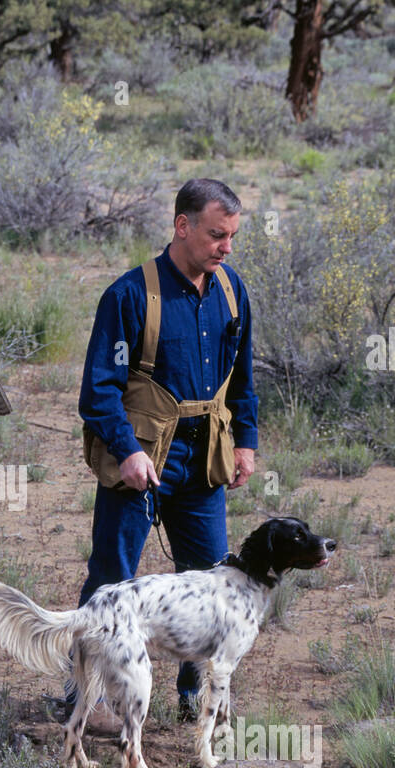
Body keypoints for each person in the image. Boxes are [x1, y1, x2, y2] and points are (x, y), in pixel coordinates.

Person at [75, 178, 258, 727]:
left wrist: (245, 442)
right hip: (140, 465)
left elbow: (243, 378)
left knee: (209, 582)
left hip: (204, 465)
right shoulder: (129, 295)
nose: (226, 247)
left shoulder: (232, 291)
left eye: (232, 237)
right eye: (216, 235)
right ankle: (89, 699)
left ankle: (194, 699)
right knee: (111, 579)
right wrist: (128, 452)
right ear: (182, 226)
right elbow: (98, 391)